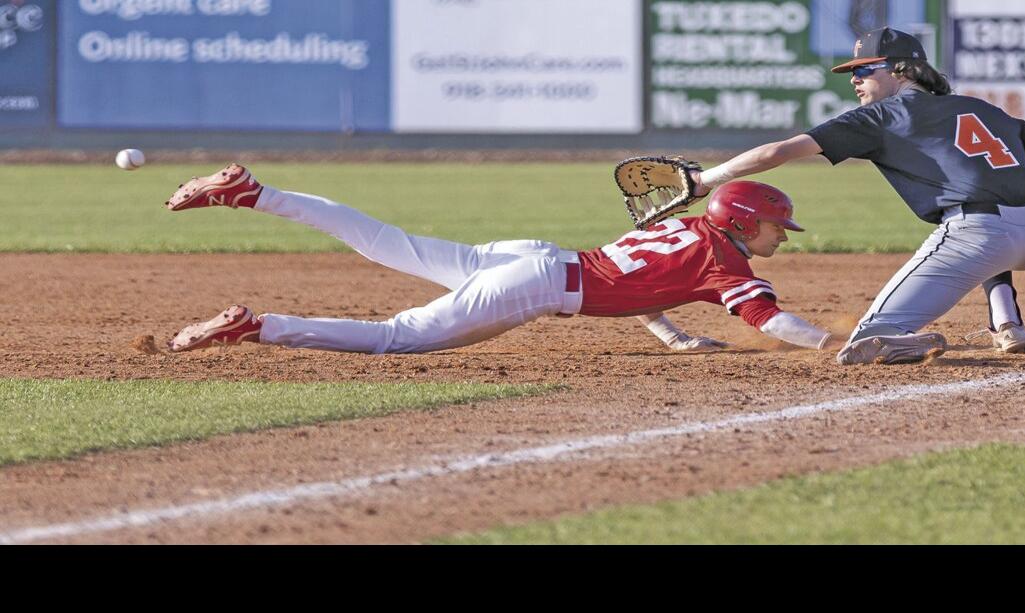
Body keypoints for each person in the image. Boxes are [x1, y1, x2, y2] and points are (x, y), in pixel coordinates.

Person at [690, 26, 1025, 365]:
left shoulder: (882, 115)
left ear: (901, 70)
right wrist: (1003, 186)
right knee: (987, 237)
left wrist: (706, 179)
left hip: (980, 237)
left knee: (866, 340)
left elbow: (775, 152)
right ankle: (1007, 323)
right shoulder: (983, 108)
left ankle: (905, 333)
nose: (853, 79)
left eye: (864, 69)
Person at [164, 164, 837, 356]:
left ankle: (257, 193)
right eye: (780, 227)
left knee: (382, 240)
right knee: (404, 338)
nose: (785, 236)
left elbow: (644, 284)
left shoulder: (688, 230)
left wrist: (676, 336)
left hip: (532, 255)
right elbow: (770, 324)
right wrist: (832, 341)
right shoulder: (727, 266)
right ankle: (258, 326)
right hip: (539, 282)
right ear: (748, 222)